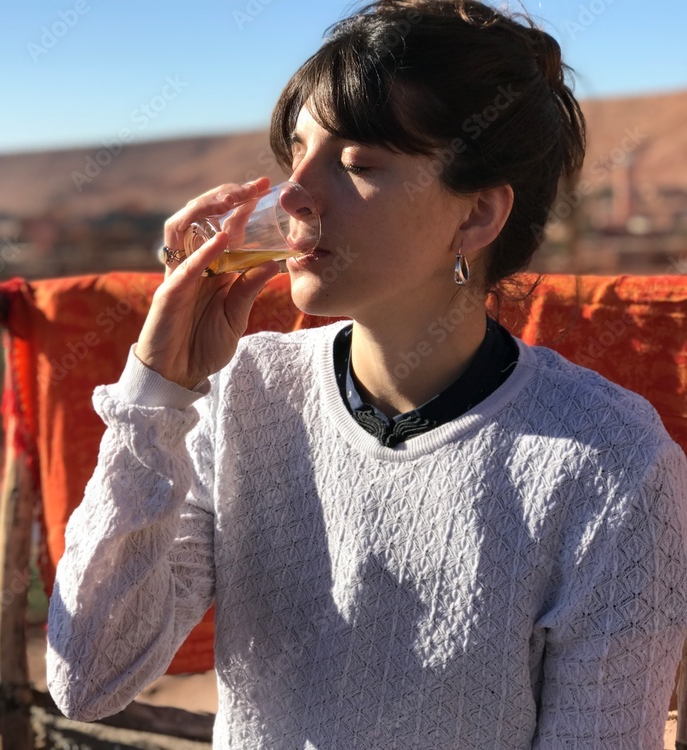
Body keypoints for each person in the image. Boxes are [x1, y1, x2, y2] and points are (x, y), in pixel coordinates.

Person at [47, 1, 687, 747]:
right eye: (296, 154)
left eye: (357, 164)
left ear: (476, 217)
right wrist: (157, 393)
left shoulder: (612, 464)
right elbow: (89, 679)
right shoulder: (243, 396)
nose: (291, 194)